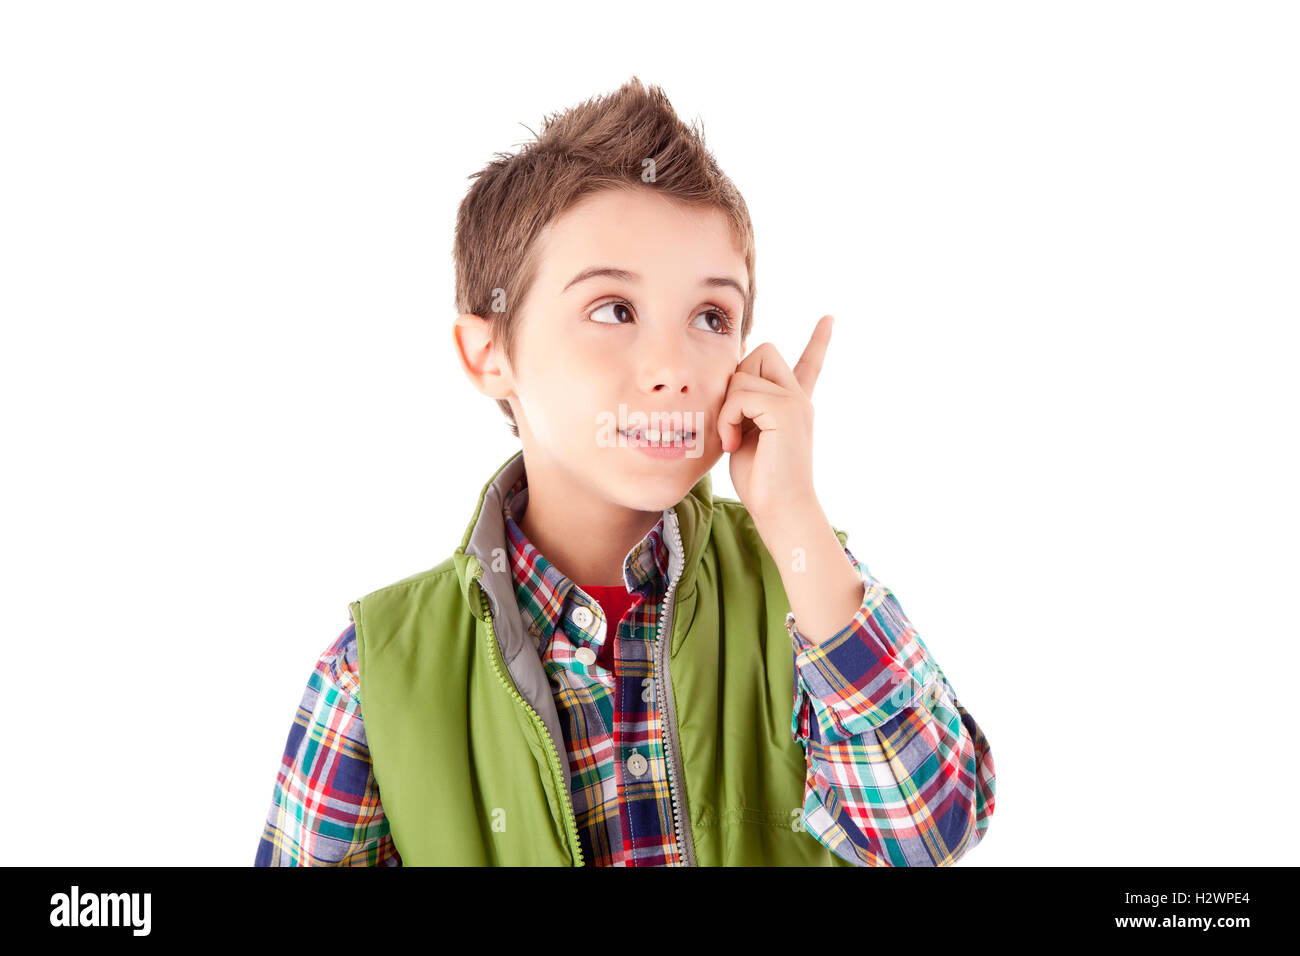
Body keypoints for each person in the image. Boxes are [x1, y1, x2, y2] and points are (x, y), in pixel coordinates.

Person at [255, 76, 996, 866]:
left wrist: (793, 515)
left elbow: (930, 835)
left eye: (711, 318)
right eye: (614, 309)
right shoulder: (373, 677)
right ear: (488, 353)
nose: (673, 366)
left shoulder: (808, 597)